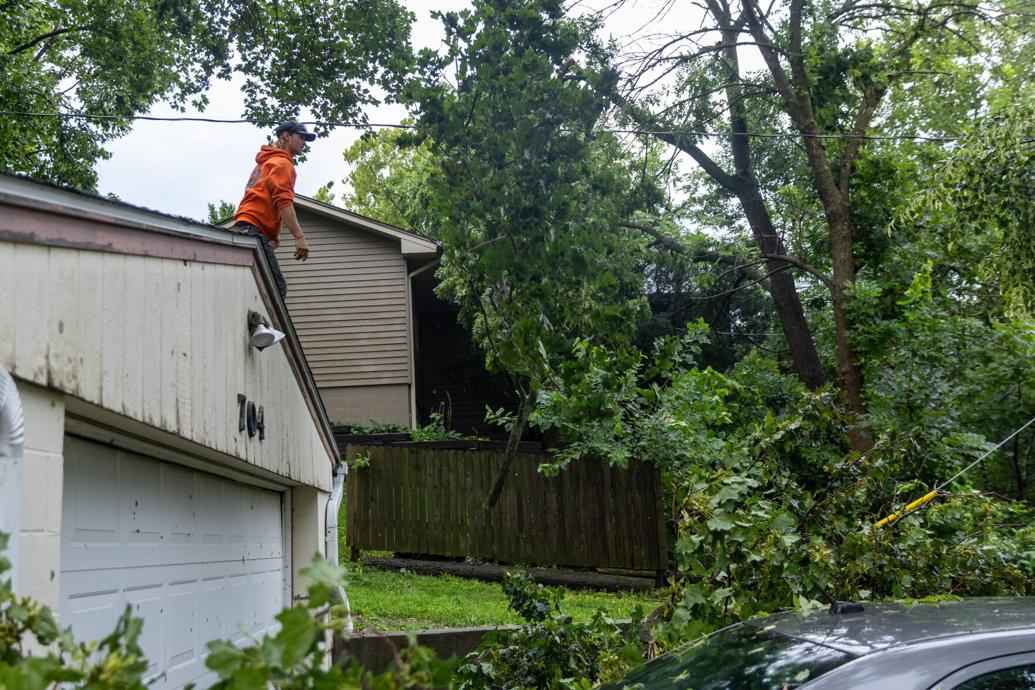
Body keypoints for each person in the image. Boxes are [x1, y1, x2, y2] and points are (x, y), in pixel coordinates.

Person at [232, 121, 314, 298]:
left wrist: (272, 234)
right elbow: (283, 202)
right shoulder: (283, 164)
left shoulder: (265, 163)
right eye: (301, 137)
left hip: (242, 227)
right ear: (286, 136)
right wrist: (299, 237)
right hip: (252, 230)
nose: (304, 143)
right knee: (276, 288)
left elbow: (264, 198)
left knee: (253, 286)